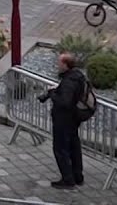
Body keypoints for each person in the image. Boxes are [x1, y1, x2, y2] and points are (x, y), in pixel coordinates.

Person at [38, 53, 88, 189]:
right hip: (73, 120)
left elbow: (65, 102)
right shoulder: (78, 77)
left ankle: (68, 179)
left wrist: (53, 94)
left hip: (64, 120)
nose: (57, 65)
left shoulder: (69, 82)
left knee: (61, 149)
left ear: (66, 65)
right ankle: (78, 176)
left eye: (59, 63)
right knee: (74, 147)